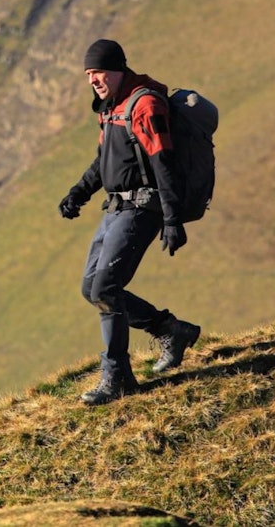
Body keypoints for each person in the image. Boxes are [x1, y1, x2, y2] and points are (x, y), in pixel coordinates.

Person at [58, 39, 201, 406]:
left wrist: (172, 220)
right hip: (115, 209)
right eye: (89, 74)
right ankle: (171, 330)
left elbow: (163, 163)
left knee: (106, 288)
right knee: (92, 288)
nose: (93, 80)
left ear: (118, 69)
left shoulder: (145, 105)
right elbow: (104, 160)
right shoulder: (111, 109)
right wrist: (78, 192)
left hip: (142, 208)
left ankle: (117, 376)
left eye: (99, 72)